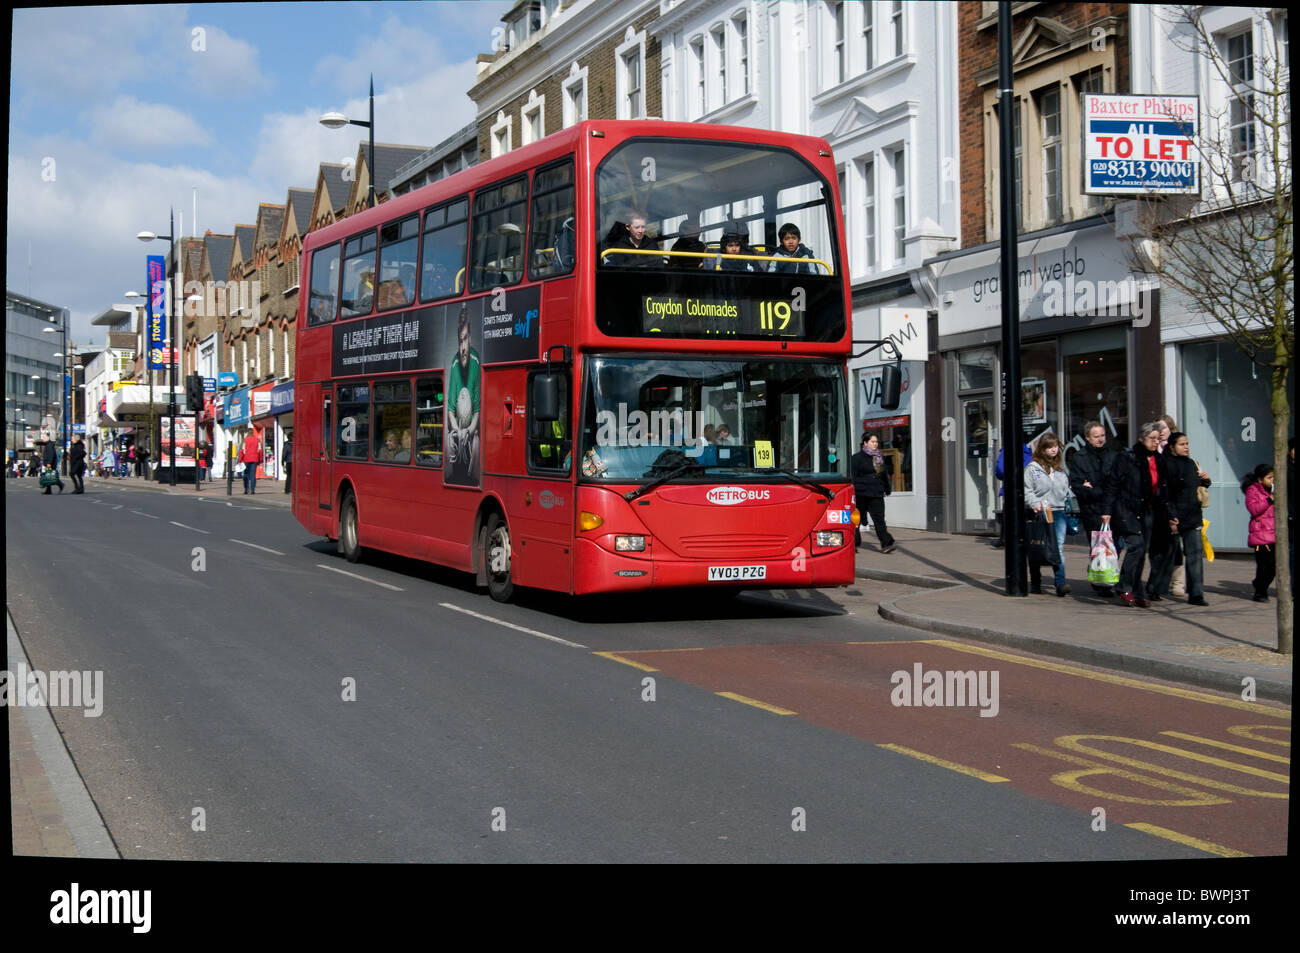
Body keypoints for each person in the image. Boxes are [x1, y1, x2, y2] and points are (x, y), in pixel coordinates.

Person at [1110, 422, 1168, 607]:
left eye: (1157, 439)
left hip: (1148, 511)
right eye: (1151, 439)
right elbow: (1113, 484)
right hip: (1127, 509)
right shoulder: (1128, 458)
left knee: (1142, 551)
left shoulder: (1158, 460)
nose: (1154, 442)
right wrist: (1106, 511)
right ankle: (1124, 586)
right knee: (1136, 546)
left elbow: (1162, 487)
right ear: (1141, 438)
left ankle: (1137, 590)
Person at [1149, 432, 1211, 605]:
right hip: (1174, 516)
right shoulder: (1166, 464)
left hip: (1192, 514)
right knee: (1167, 555)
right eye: (1182, 444)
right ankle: (1155, 588)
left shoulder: (1191, 464)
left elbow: (1194, 487)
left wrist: (1206, 481)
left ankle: (1196, 593)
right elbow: (1164, 492)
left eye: (1187, 443)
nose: (1186, 447)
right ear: (1172, 447)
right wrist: (1170, 516)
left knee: (1195, 555)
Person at [1068, 420, 1123, 595]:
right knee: (1099, 547)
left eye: (1102, 435)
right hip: (1092, 510)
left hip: (1114, 508)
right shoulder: (1079, 458)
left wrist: (1094, 487)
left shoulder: (1114, 456)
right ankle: (1102, 584)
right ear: (1087, 437)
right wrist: (1096, 490)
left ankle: (1104, 573)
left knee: (1116, 545)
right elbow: (1078, 486)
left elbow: (1118, 482)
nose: (1100, 439)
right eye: (1096, 436)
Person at [1024, 431, 1072, 596]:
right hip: (1039, 512)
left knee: (1057, 548)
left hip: (1057, 512)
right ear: (1042, 449)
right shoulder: (1032, 468)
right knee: (1037, 546)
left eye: (1056, 446)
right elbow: (1027, 490)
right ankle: (1036, 582)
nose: (1054, 450)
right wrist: (1034, 504)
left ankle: (1060, 583)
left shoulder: (1059, 469)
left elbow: (1065, 490)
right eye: (1050, 447)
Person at [446, 308, 481, 485]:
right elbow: (450, 410)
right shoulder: (454, 363)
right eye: (460, 341)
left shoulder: (476, 361)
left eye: (465, 339)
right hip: (457, 426)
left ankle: (471, 480)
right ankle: (454, 479)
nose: (463, 348)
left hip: (471, 428)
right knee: (448, 443)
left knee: (476, 445)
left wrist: (469, 430)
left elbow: (477, 410)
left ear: (470, 337)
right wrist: (457, 431)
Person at [852, 432, 896, 554]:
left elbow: (883, 475)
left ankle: (886, 544)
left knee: (879, 519)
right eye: (872, 442)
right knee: (856, 520)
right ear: (865, 443)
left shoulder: (878, 457)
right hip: (861, 494)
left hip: (876, 494)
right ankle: (853, 543)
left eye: (876, 442)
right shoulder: (857, 458)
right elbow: (853, 477)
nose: (875, 444)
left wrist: (887, 490)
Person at [1242, 464, 1276, 602]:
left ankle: (1259, 584)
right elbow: (1254, 509)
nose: (1272, 480)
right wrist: (1269, 500)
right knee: (1264, 566)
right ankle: (1260, 593)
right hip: (1260, 534)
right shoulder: (1252, 491)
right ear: (1260, 480)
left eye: (1273, 477)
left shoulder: (1273, 490)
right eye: (1269, 478)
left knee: (1273, 567)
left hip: (1273, 534)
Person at [992, 441, 1033, 549]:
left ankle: (1005, 539)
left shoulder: (1006, 451)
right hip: (1026, 488)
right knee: (1023, 512)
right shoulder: (1028, 453)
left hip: (1011, 486)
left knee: (1008, 512)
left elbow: (1000, 470)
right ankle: (1022, 538)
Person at [240, 427, 262, 494]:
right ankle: (252, 490)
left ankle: (246, 489)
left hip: (246, 459)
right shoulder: (257, 440)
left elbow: (242, 451)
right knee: (253, 475)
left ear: (247, 433)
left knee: (246, 474)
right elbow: (260, 451)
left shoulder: (245, 440)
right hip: (255, 459)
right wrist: (260, 460)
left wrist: (240, 460)